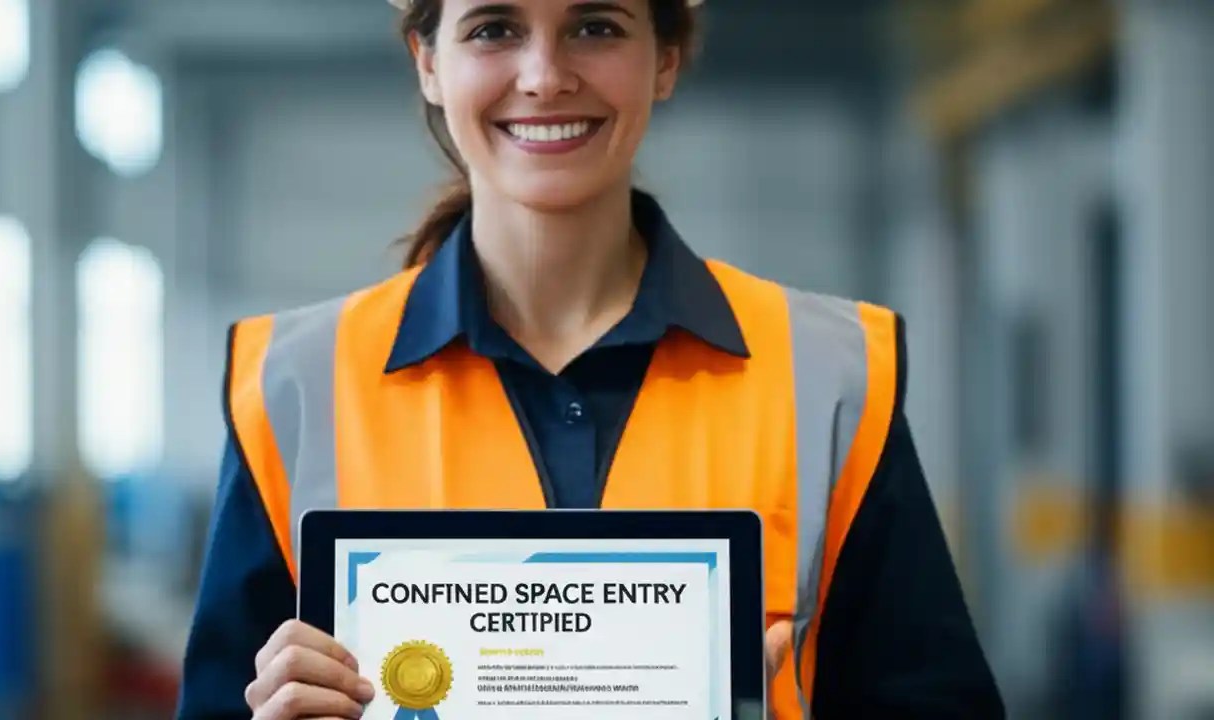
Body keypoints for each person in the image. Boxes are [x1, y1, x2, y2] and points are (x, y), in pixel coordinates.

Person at [175, 0, 1006, 717]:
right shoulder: (295, 382)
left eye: (596, 26)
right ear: (427, 61)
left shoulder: (828, 373)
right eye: (496, 27)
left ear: (666, 57)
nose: (544, 76)